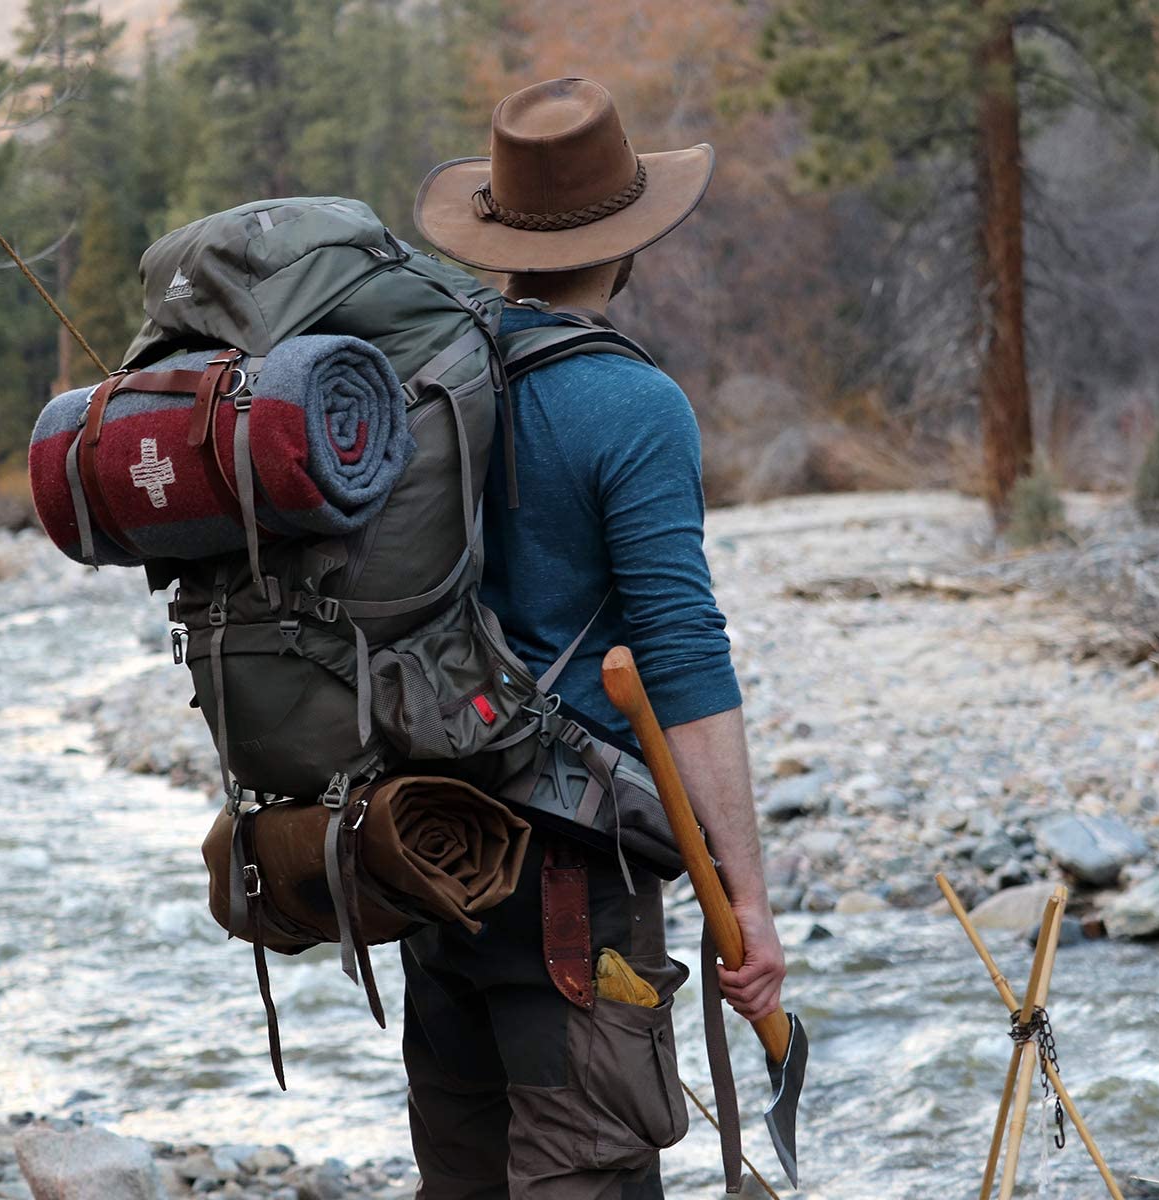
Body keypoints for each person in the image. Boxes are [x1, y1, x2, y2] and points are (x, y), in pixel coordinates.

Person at [404, 77, 786, 1199]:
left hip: (431, 850)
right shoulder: (634, 407)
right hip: (578, 869)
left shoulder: (426, 377)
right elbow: (679, 653)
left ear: (501, 236)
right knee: (592, 1175)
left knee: (461, 1179)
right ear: (628, 243)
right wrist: (747, 897)